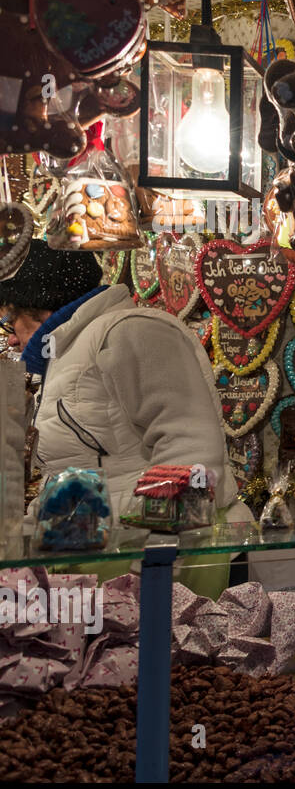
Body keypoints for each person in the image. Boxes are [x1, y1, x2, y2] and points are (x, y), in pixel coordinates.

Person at [0, 241, 240, 597]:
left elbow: (190, 454)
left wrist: (152, 570)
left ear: (37, 306)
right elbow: (75, 467)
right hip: (103, 562)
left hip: (159, 566)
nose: (11, 337)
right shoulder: (65, 354)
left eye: (9, 321)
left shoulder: (130, 331)